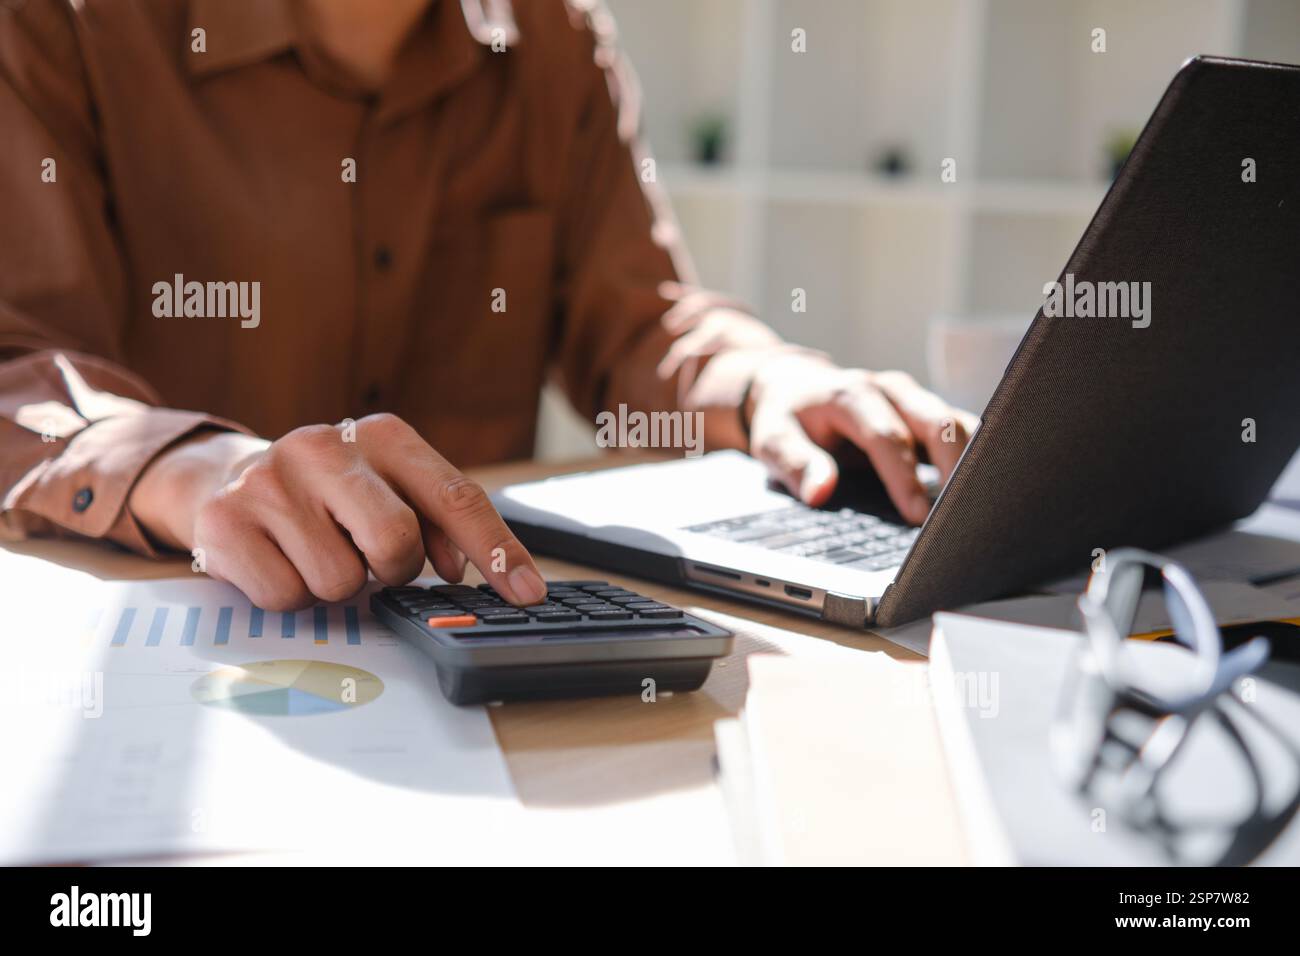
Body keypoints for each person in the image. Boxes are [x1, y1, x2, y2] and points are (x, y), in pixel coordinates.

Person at [0, 0, 977, 611]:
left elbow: (636, 319)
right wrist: (194, 467)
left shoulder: (553, 41)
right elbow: (17, 363)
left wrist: (765, 379)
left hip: (475, 637)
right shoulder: (63, 27)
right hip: (176, 631)